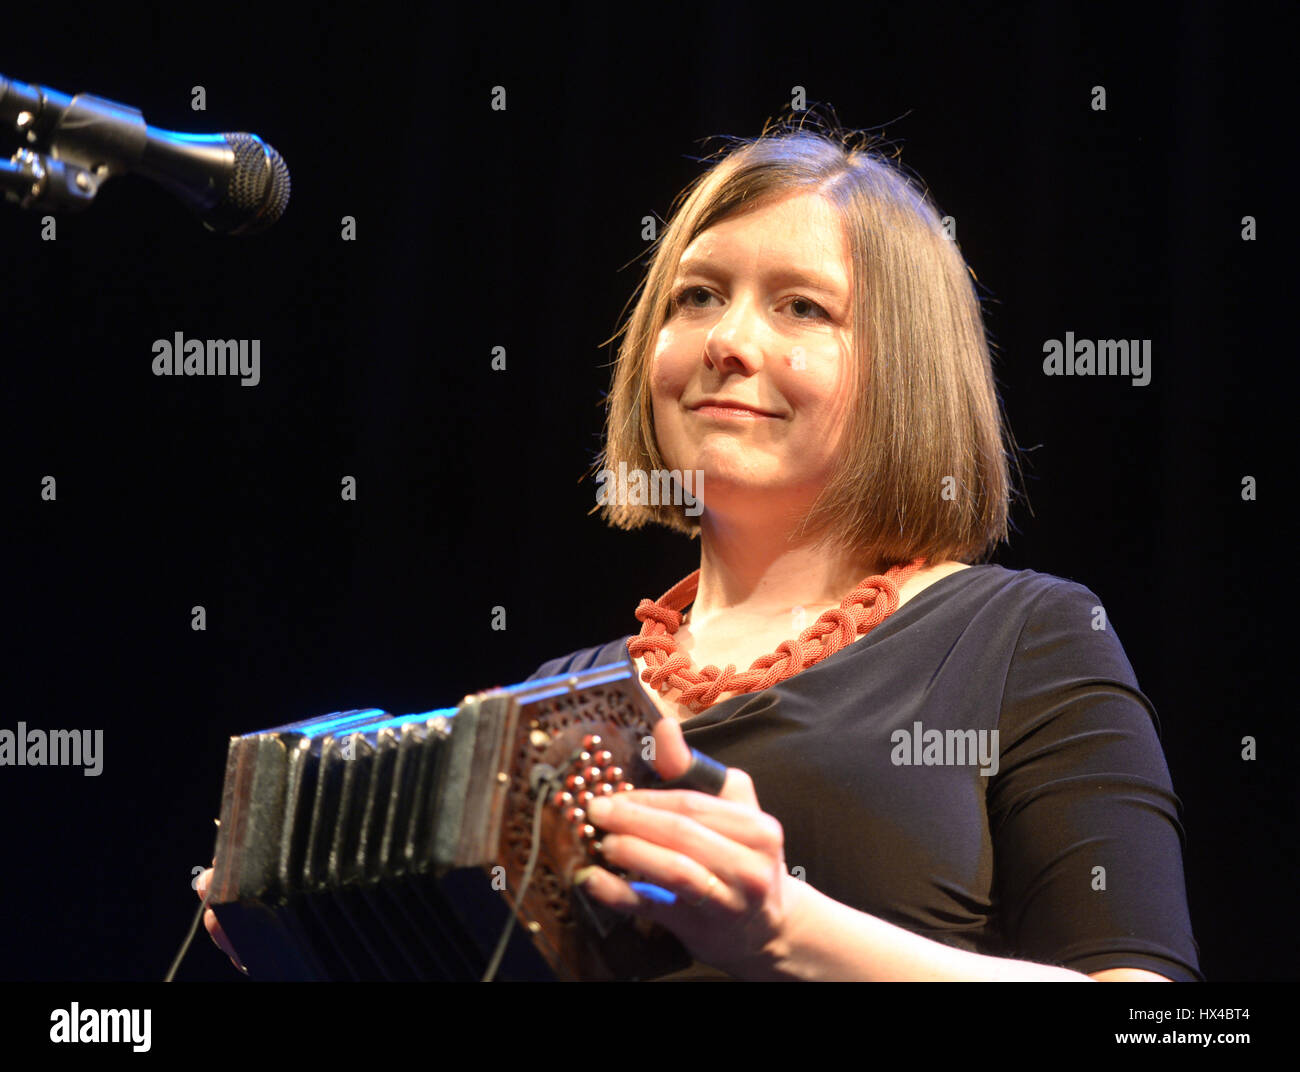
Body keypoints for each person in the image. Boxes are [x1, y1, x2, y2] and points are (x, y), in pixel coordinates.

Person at [199, 117, 1201, 982]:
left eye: (800, 306)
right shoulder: (550, 707)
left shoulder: (1027, 637)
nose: (728, 340)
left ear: (906, 369)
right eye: (696, 295)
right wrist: (321, 940)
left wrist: (785, 929)